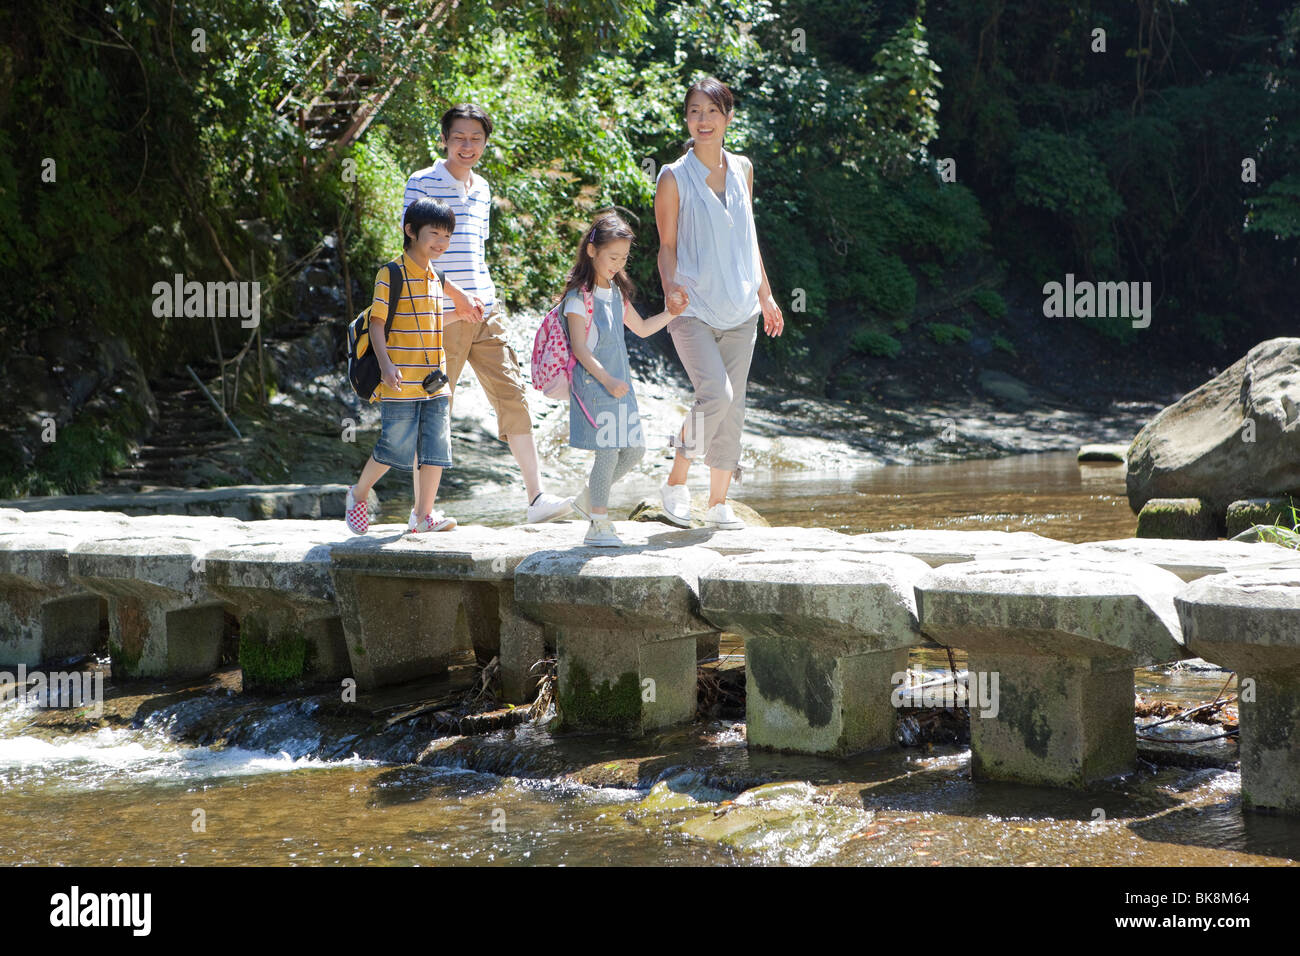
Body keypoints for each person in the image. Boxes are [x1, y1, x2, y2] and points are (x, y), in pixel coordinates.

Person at [402, 103, 573, 524]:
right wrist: (455, 295)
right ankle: (422, 513)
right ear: (444, 139)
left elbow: (476, 253)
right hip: (440, 315)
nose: (467, 145)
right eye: (459, 137)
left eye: (476, 138)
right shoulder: (421, 182)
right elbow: (413, 254)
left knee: (513, 396)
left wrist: (483, 298)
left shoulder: (482, 188)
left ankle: (536, 500)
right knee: (436, 408)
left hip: (486, 313)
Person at [654, 76, 785, 529]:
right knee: (716, 395)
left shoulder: (744, 169)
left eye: (712, 111)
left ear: (728, 117)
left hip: (742, 309)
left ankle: (718, 504)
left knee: (734, 405)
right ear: (686, 118)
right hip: (691, 309)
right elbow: (665, 246)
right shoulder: (673, 177)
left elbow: (748, 239)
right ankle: (676, 480)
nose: (702, 120)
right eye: (694, 111)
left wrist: (766, 295)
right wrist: (670, 287)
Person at [343, 198, 484, 535]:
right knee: (395, 447)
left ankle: (423, 516)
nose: (441, 243)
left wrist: (460, 314)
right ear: (410, 231)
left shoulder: (436, 277)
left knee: (436, 447)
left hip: (434, 379)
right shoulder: (390, 273)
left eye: (447, 236)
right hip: (399, 379)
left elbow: (431, 323)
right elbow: (377, 326)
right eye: (434, 234)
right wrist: (387, 366)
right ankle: (358, 493)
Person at [561, 212, 689, 546]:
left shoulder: (616, 294)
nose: (617, 264)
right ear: (592, 251)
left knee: (635, 450)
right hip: (595, 384)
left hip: (620, 386)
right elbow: (579, 349)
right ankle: (597, 523)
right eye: (612, 257)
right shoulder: (579, 297)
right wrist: (606, 380)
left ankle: (589, 498)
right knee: (607, 451)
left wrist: (670, 314)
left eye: (623, 258)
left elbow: (643, 328)